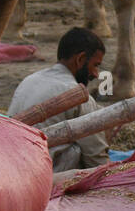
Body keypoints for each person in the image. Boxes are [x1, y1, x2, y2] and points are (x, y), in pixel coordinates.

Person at [7, 28, 110, 172]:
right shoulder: (75, 94)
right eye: (95, 65)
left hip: (9, 164)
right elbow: (96, 158)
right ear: (80, 59)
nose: (95, 74)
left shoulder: (30, 79)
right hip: (41, 175)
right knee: (80, 149)